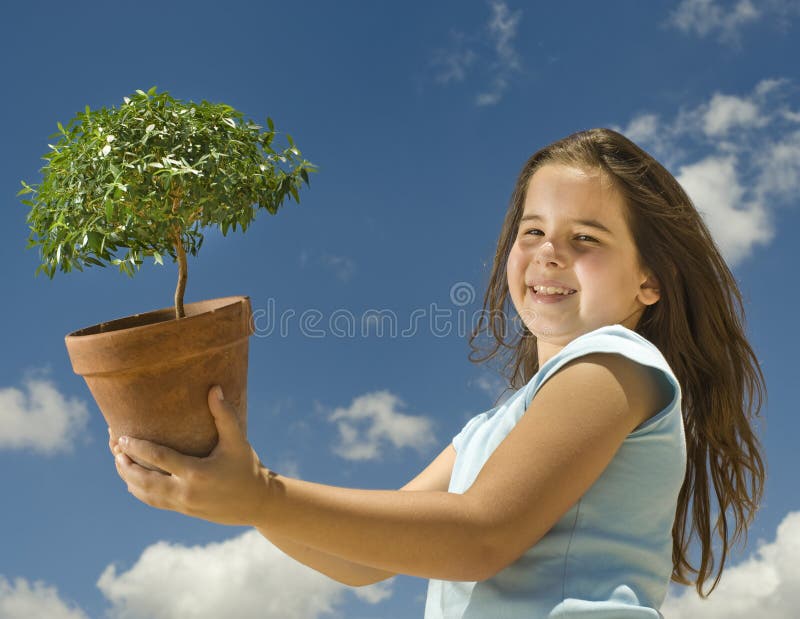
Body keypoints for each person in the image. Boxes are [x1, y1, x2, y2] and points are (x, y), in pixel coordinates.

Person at [111, 128, 766, 618]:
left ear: (650, 278)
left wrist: (258, 494)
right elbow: (363, 560)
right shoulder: (492, 427)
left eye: (585, 238)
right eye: (532, 230)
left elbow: (478, 534)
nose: (548, 254)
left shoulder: (617, 364)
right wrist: (239, 487)